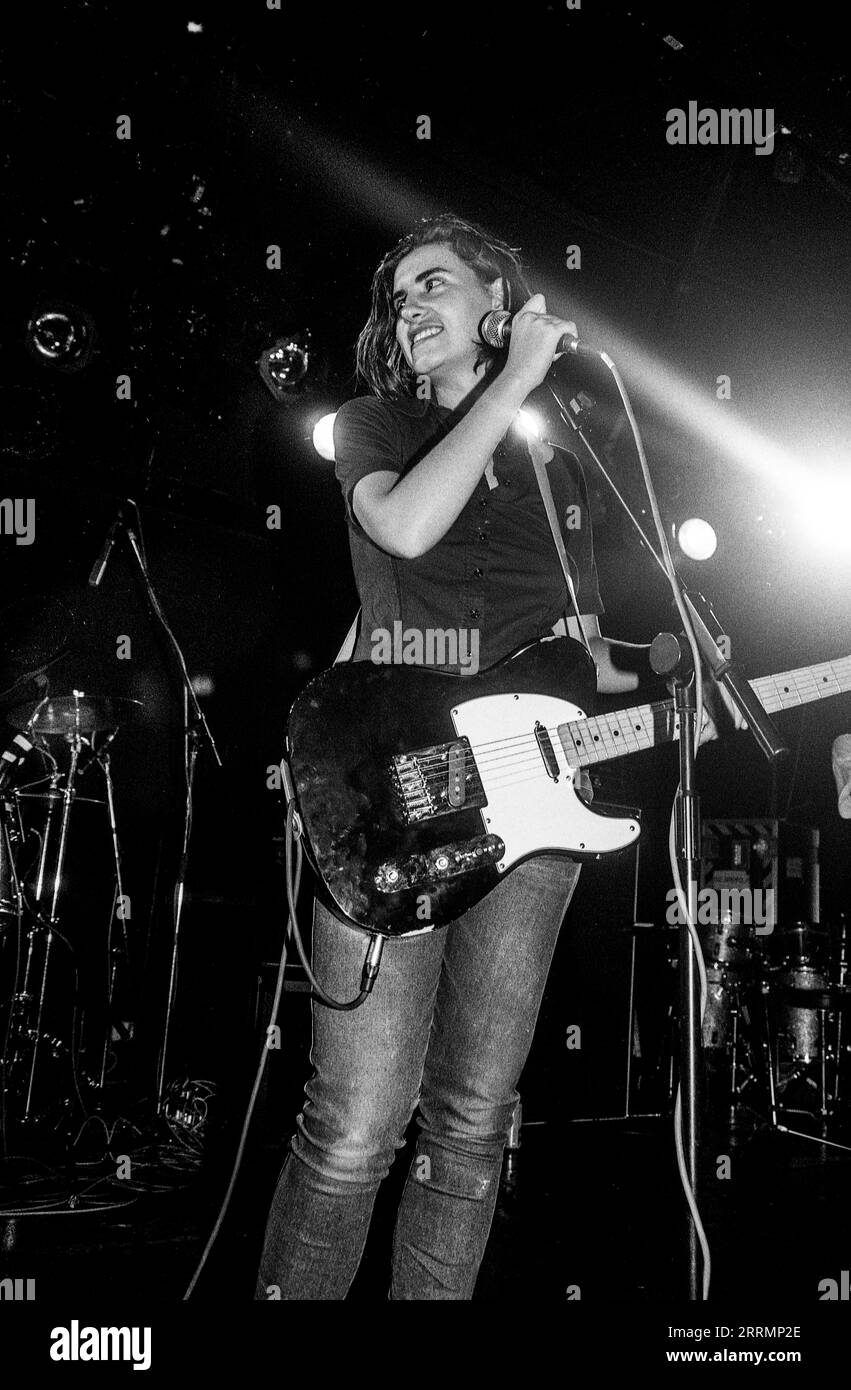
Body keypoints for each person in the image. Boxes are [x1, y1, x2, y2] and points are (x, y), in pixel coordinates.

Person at [255, 213, 644, 1301]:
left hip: (529, 807)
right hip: (390, 792)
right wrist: (323, 751)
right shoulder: (371, 423)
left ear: (497, 297)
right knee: (355, 1122)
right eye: (397, 296)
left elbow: (580, 654)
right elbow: (407, 535)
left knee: (472, 1117)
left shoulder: (558, 460)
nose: (407, 306)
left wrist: (680, 690)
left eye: (433, 283)